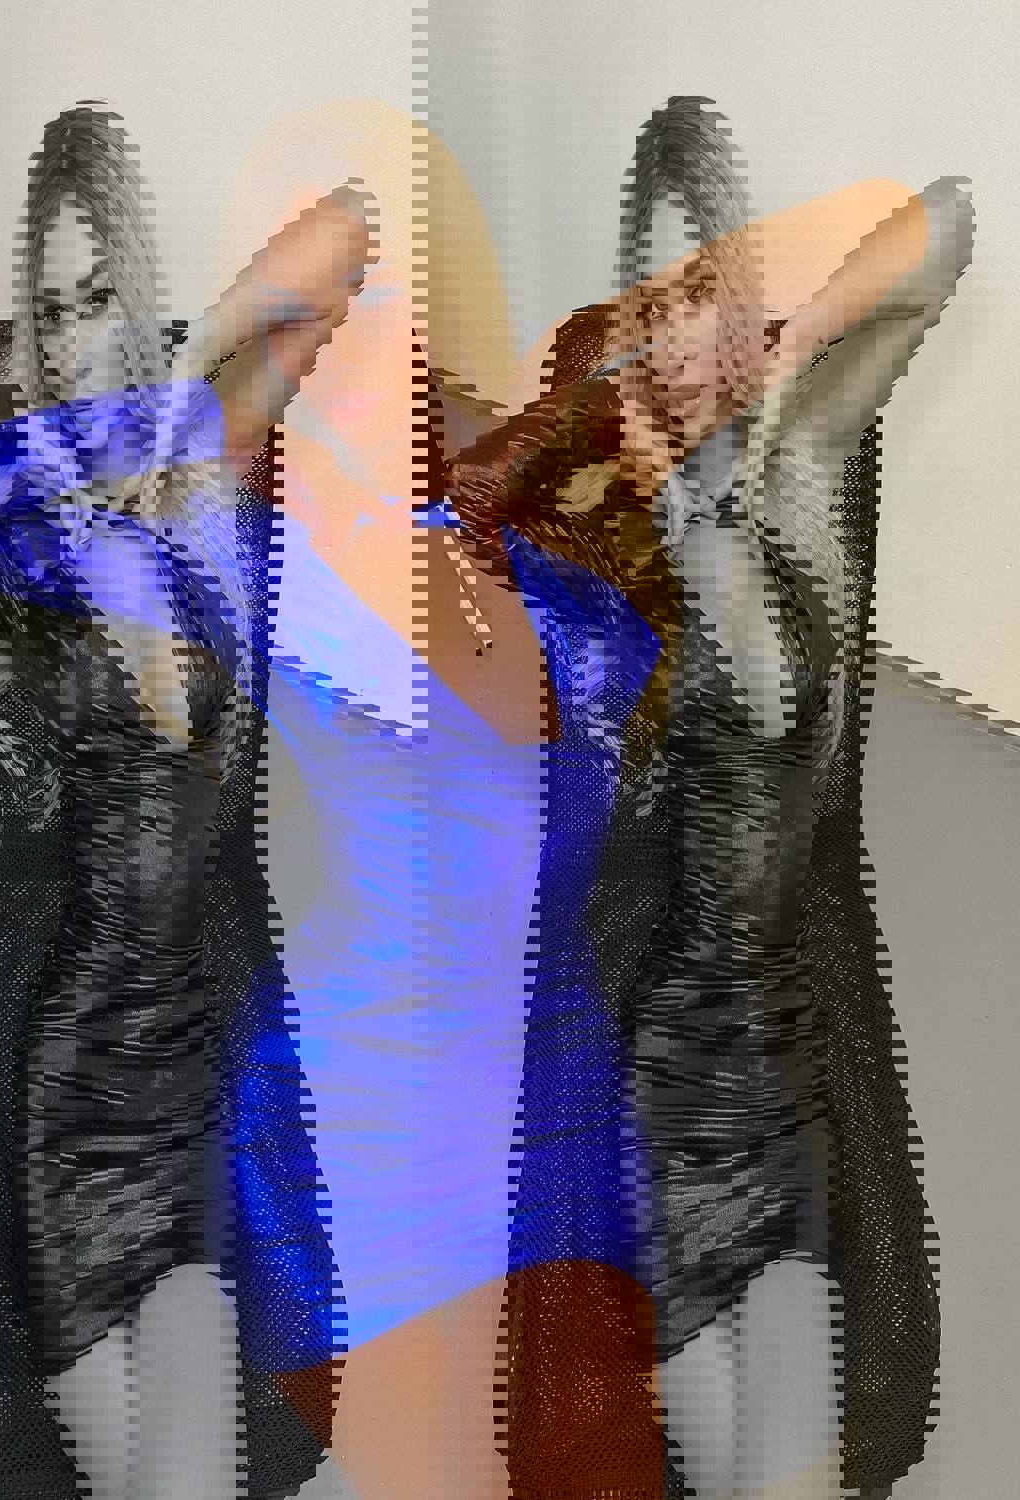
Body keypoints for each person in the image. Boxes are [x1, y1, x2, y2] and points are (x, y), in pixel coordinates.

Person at [446, 95, 972, 1499]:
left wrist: (787, 354)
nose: (679, 337)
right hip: (652, 1108)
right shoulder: (608, 526)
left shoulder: (803, 453)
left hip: (785, 1084)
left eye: (704, 295)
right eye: (655, 303)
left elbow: (943, 222)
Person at [0, 102, 373, 1500]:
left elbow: (348, 232)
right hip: (84, 1094)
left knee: (191, 1449)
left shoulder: (211, 468)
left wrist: (176, 387)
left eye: (100, 297)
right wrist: (45, 427)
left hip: (208, 1065)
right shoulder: (29, 543)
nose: (77, 332)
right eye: (53, 308)